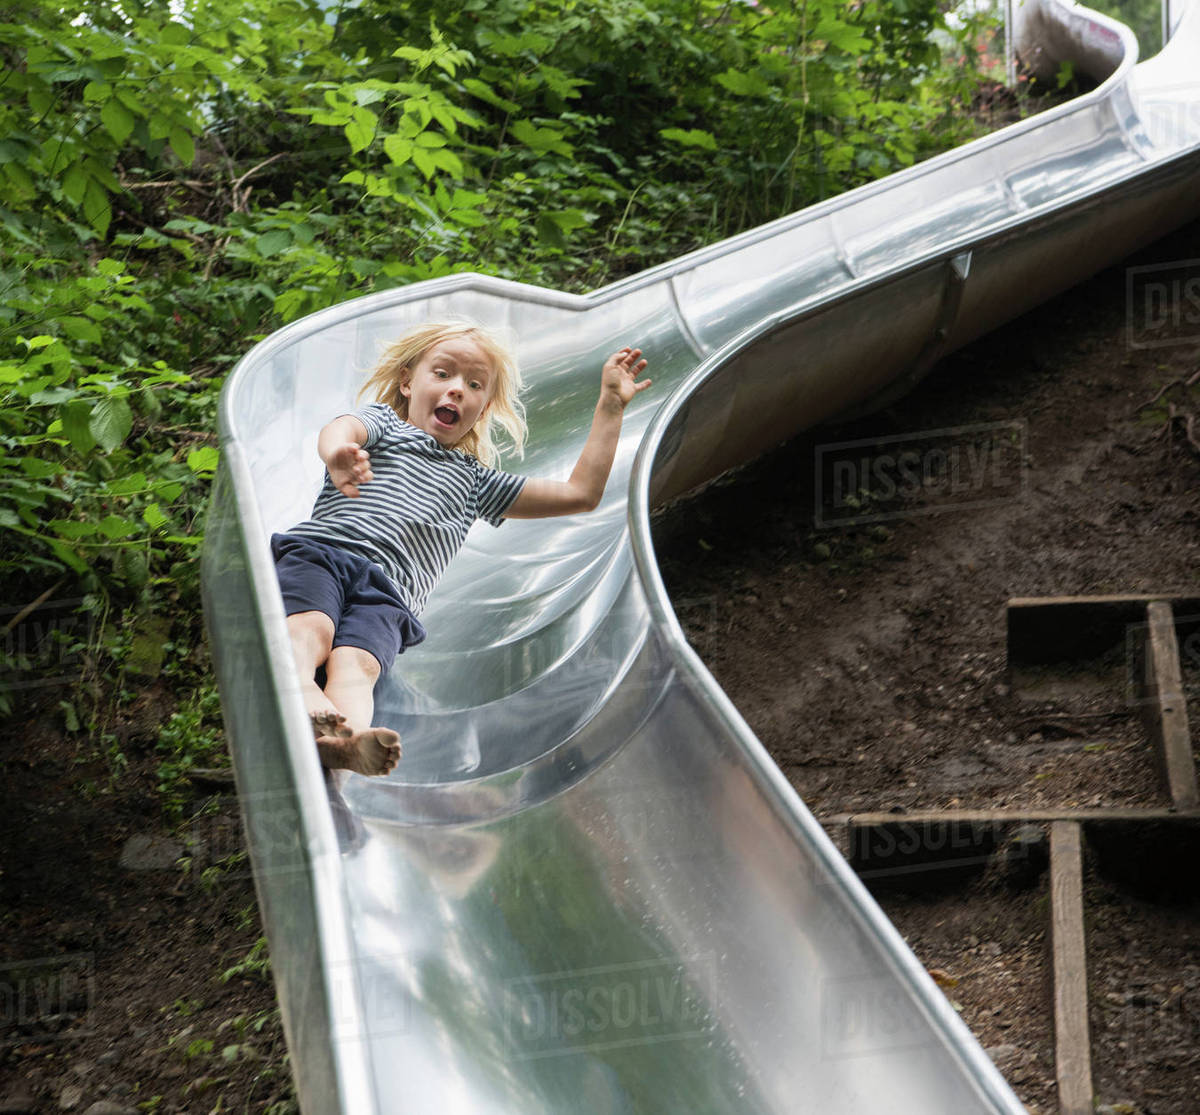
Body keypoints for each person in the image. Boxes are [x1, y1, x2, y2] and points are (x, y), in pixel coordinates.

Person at [271, 320, 650, 776]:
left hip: (390, 595)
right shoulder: (386, 426)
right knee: (312, 629)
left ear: (483, 408)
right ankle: (307, 697)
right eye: (443, 374)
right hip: (325, 554)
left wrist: (610, 406)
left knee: (359, 666)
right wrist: (337, 455)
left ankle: (346, 742)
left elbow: (580, 494)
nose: (456, 391)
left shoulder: (475, 482)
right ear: (408, 382)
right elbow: (340, 429)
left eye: (473, 385)